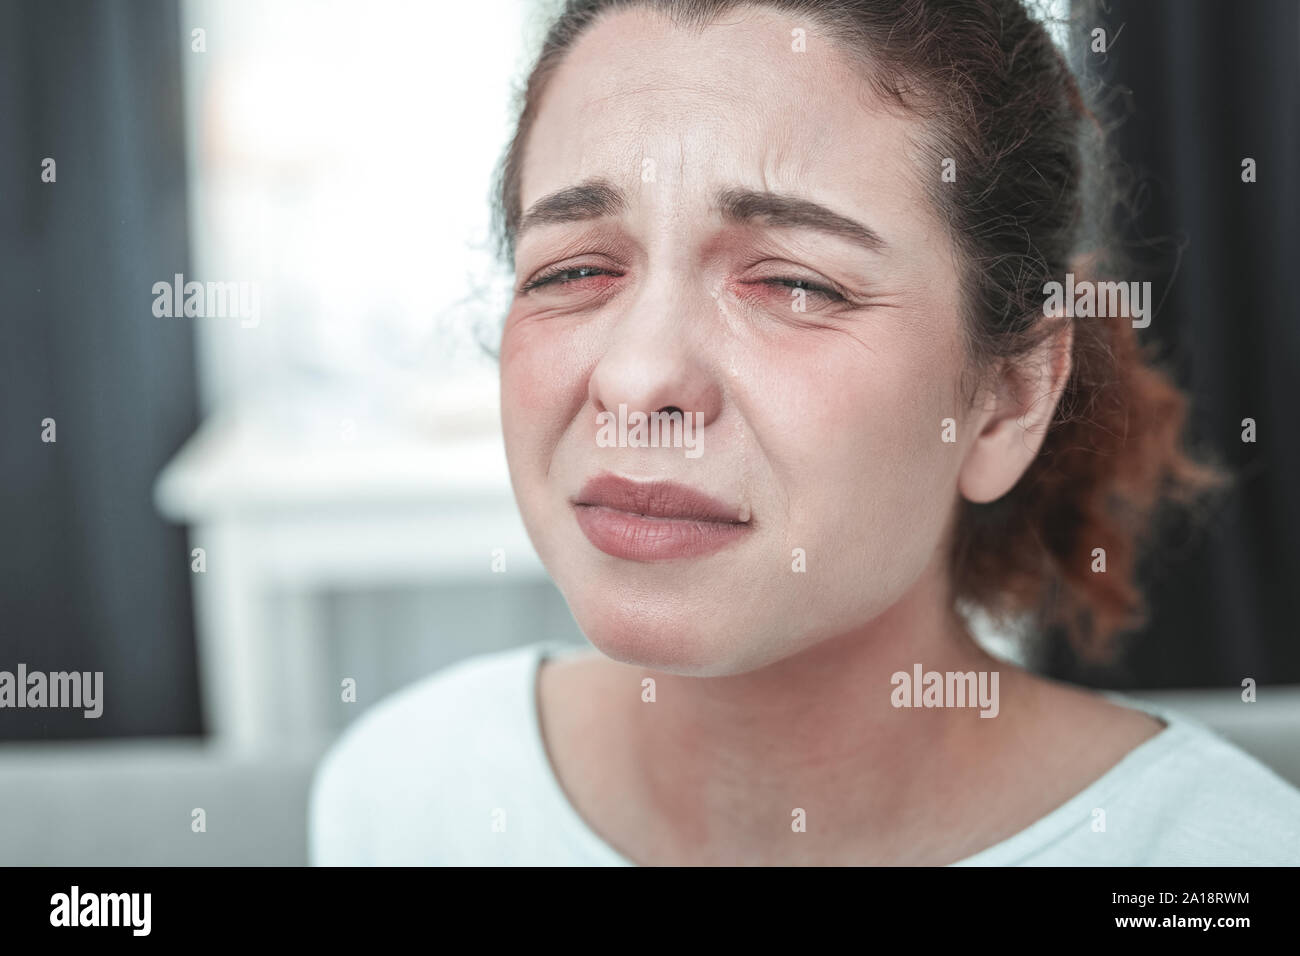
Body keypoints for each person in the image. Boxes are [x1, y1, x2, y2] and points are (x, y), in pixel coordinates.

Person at [309, 0, 1300, 865]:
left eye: (793, 281)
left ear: (1008, 393)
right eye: (572, 270)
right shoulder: (400, 800)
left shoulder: (1213, 857)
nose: (638, 375)